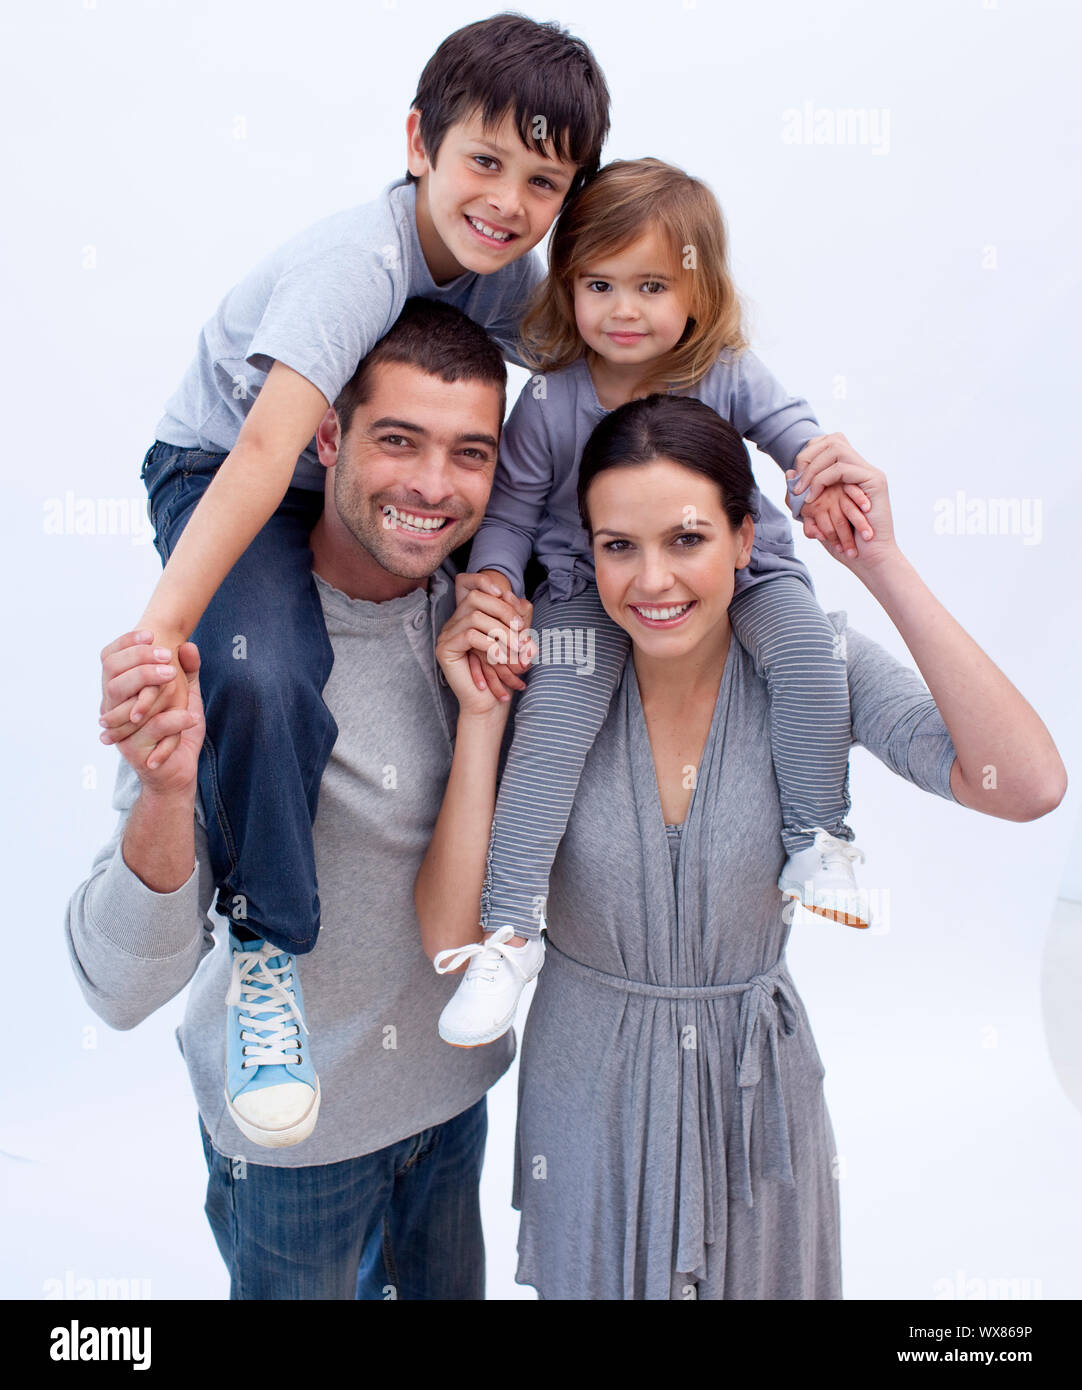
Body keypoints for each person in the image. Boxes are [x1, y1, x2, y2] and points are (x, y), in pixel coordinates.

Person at [414, 395, 1066, 1299]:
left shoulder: (810, 664)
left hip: (757, 1100)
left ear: (743, 537)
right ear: (584, 549)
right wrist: (484, 722)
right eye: (618, 546)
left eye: (686, 539)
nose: (652, 581)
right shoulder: (546, 670)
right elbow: (450, 934)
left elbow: (1027, 784)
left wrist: (878, 560)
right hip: (588, 1097)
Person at [94, 13, 610, 1146]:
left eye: (542, 181)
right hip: (233, 468)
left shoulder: (503, 270)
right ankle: (267, 943)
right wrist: (153, 643)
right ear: (418, 140)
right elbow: (260, 461)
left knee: (536, 573)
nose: (507, 202)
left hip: (356, 470)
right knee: (266, 669)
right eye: (484, 162)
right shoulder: (354, 268)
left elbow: (611, 361)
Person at [67, 301, 536, 1299]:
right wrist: (165, 792)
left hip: (452, 1102)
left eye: (469, 453)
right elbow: (117, 989)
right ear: (326, 438)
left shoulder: (488, 620)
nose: (431, 485)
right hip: (290, 1148)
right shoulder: (233, 648)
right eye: (398, 440)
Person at [436, 157, 875, 1049]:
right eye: (599, 285)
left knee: (809, 659)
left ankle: (819, 838)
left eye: (650, 286)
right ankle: (511, 932)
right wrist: (489, 578)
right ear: (567, 288)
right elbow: (514, 510)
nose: (623, 310)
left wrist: (826, 469)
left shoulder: (722, 368)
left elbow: (795, 432)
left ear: (697, 292)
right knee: (552, 723)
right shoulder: (554, 400)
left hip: (743, 572)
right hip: (586, 591)